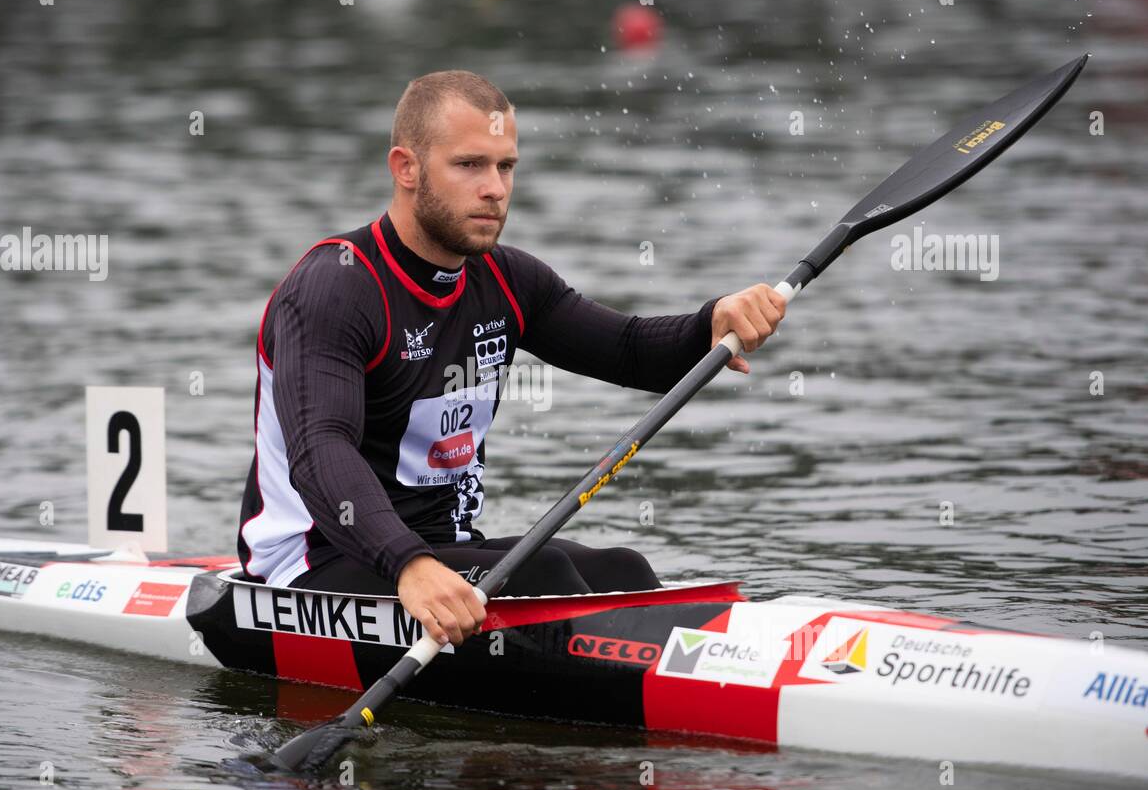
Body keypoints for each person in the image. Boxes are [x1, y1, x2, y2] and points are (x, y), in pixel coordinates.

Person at [238, 70, 785, 647]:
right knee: (545, 575)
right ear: (406, 168)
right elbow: (320, 451)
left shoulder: (506, 279)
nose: (495, 188)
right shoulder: (336, 289)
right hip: (313, 563)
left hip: (441, 550)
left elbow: (627, 351)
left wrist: (712, 322)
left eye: (506, 167)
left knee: (623, 570)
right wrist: (409, 565)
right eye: (470, 165)